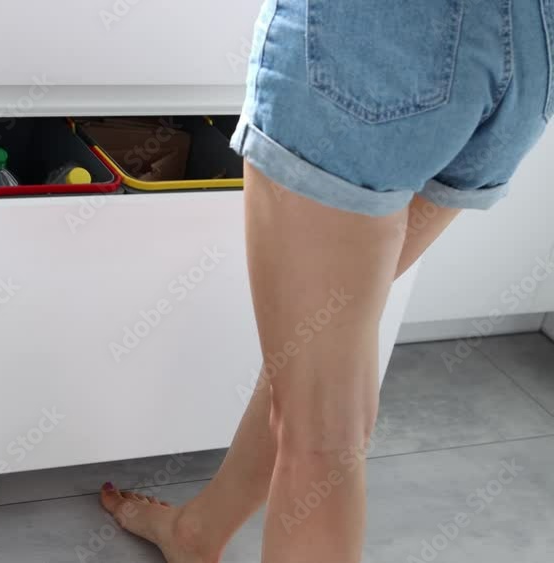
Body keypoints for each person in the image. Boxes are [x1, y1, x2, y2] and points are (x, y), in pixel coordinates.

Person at [99, 1, 553, 561]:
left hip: (379, 43)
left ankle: (198, 535)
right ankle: (198, 532)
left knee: (323, 432)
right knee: (318, 347)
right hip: (529, 46)